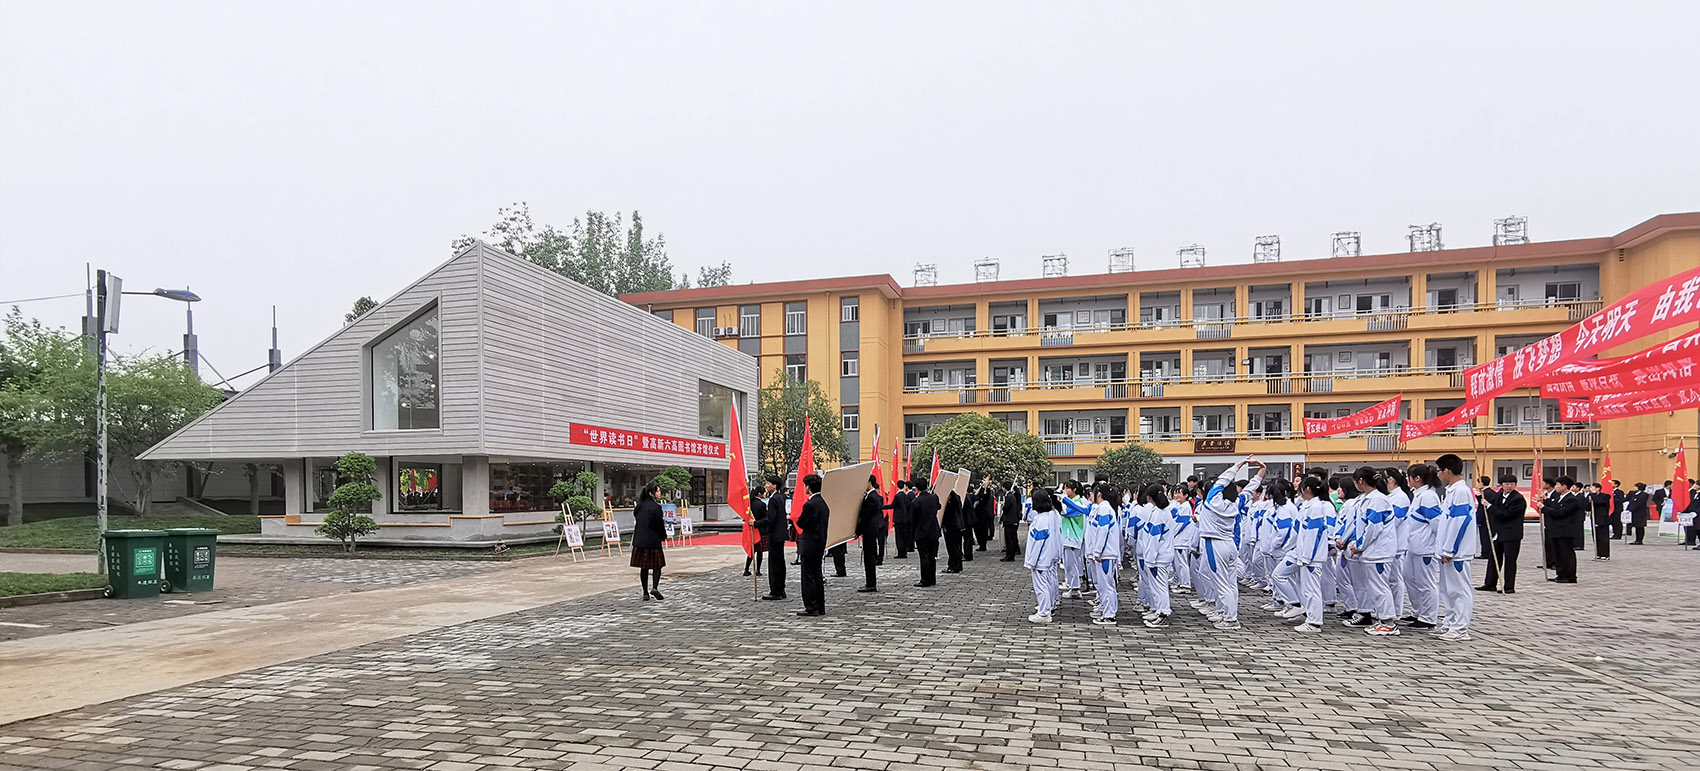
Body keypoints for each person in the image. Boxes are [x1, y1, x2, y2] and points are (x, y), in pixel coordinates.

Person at [1197, 457, 1265, 631]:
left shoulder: (1212, 501)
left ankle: (1230, 619)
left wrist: (1239, 464)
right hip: (1230, 545)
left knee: (1221, 584)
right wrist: (1260, 472)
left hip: (1215, 545)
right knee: (1230, 584)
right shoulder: (1235, 503)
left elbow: (1223, 480)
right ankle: (1228, 614)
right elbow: (1249, 491)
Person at [1435, 453, 1478, 642]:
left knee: (1459, 590)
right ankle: (1450, 622)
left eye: (1439, 470)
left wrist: (1449, 549)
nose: (1437, 474)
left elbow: (1459, 522)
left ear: (1447, 471)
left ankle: (1460, 627)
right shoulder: (1452, 490)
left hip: (1457, 552)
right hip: (1447, 550)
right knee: (1448, 589)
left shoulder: (1461, 492)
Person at [1281, 477, 1333, 633]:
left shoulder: (1316, 507)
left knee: (1312, 590)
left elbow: (1313, 534)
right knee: (1307, 590)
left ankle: (1314, 621)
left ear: (1307, 489)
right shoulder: (1309, 506)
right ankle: (1311, 618)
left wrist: (1307, 557)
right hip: (1307, 556)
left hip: (1311, 557)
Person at [1400, 463, 1442, 630]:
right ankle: (1417, 611)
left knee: (1426, 583)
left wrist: (1436, 545)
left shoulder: (1428, 497)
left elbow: (1437, 524)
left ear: (1416, 478)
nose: (1407, 480)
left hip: (1425, 548)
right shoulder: (1418, 495)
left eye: (1408, 477)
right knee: (1409, 577)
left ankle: (1428, 617)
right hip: (1413, 547)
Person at [1084, 481, 1124, 626]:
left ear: (1098, 494)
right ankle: (1104, 609)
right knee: (1102, 585)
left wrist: (1097, 551)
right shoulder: (1102, 508)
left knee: (1106, 585)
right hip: (1102, 553)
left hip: (1105, 554)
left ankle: (1109, 614)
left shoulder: (1104, 509)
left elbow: (1103, 531)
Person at [1138, 483, 1178, 628]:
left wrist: (1151, 558)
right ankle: (1158, 610)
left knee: (1160, 586)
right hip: (1160, 556)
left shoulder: (1159, 514)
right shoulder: (1160, 511)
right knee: (1157, 586)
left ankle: (1163, 613)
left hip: (1158, 557)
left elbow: (1154, 539)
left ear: (1149, 497)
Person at [1479, 474, 1525, 593]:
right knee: (1494, 558)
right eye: (1506, 484)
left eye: (1512, 484)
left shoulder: (1518, 499)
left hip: (1511, 534)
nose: (1509, 486)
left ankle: (1509, 586)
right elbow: (1489, 502)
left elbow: (1506, 515)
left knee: (1510, 561)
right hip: (1498, 533)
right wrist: (1481, 494)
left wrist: (1489, 506)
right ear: (1502, 485)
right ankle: (1490, 583)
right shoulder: (1500, 494)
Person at [1024, 486, 1063, 623]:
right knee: (1047, 583)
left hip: (1041, 558)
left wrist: (1032, 560)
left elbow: (1037, 543)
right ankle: (1047, 607)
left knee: (1041, 587)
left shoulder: (1041, 520)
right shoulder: (1050, 515)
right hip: (1049, 555)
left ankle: (1044, 613)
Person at [795, 473, 829, 617]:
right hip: (819, 542)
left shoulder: (810, 504)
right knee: (817, 575)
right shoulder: (823, 502)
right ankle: (820, 606)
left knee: (808, 577)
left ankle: (811, 606)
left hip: (809, 543)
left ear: (808, 487)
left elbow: (801, 522)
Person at [630, 483, 668, 601]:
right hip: (653, 540)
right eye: (658, 491)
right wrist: (663, 536)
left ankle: (645, 592)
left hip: (640, 540)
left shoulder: (639, 506)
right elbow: (659, 525)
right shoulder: (656, 507)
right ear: (651, 493)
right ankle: (655, 587)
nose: (659, 493)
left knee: (644, 567)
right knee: (657, 565)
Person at [1546, 476, 1583, 584]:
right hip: (1556, 530)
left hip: (1566, 530)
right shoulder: (1559, 497)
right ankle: (1561, 574)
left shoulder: (1571, 499)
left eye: (1558, 485)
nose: (1556, 487)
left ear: (1565, 486)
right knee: (1558, 553)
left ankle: (1570, 575)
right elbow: (1553, 506)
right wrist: (1544, 501)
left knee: (1566, 553)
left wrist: (1544, 508)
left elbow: (1560, 512)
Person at [758, 475, 788, 601]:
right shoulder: (780, 497)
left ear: (774, 486)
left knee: (774, 564)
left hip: (774, 535)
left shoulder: (773, 499)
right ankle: (781, 589)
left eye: (768, 483)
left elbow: (770, 519)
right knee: (780, 562)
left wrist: (756, 524)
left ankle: (775, 590)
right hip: (780, 535)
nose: (766, 486)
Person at [1058, 479, 1089, 598]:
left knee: (1072, 564)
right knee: (1069, 563)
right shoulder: (1072, 501)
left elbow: (1065, 512)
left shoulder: (1077, 502)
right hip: (1069, 536)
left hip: (1073, 536)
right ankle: (1072, 585)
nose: (1065, 491)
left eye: (1067, 488)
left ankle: (1075, 588)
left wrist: (1062, 499)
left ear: (1074, 489)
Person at [910, 479, 942, 587]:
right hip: (933, 530)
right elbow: (939, 506)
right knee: (932, 556)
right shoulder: (934, 497)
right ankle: (932, 579)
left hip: (922, 532)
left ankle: (925, 579)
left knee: (924, 556)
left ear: (917, 488)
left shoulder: (916, 502)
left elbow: (913, 519)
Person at [856, 475, 884, 593]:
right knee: (869, 557)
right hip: (870, 530)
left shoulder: (871, 497)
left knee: (869, 557)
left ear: (869, 483)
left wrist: (858, 530)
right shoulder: (871, 496)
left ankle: (871, 584)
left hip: (869, 530)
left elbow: (866, 516)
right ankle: (870, 582)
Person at [942, 486, 967, 573]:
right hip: (958, 525)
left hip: (952, 526)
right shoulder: (957, 497)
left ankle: (953, 566)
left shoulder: (950, 500)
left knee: (952, 547)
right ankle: (958, 565)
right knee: (957, 546)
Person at [1587, 482, 1613, 561]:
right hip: (1594, 518)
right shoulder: (1590, 496)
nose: (1590, 489)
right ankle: (1598, 553)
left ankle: (1605, 554)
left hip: (1602, 519)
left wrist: (1593, 495)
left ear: (1598, 488)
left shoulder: (1605, 496)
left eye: (1592, 487)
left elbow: (1600, 502)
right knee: (1596, 537)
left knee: (1603, 537)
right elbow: (1587, 507)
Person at [744, 489, 766, 577]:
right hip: (759, 528)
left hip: (751, 529)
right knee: (759, 551)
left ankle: (746, 569)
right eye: (763, 492)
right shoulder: (761, 505)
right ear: (759, 494)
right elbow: (765, 517)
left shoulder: (749, 504)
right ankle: (758, 570)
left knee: (752, 551)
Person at [889, 480, 914, 559]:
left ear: (897, 486)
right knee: (904, 536)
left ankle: (901, 552)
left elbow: (892, 505)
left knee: (899, 537)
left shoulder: (898, 496)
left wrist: (882, 507)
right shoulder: (905, 495)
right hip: (905, 519)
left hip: (898, 519)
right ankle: (904, 551)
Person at [1000, 481, 1023, 561]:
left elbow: (1006, 508)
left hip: (1009, 520)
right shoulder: (1012, 496)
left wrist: (1003, 506)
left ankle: (1009, 556)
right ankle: (1011, 555)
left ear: (1004, 488)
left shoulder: (1009, 497)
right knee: (1012, 538)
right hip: (1013, 520)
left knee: (1009, 539)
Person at [974, 483, 997, 552]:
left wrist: (984, 488)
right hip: (984, 517)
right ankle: (983, 545)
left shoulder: (979, 500)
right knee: (983, 531)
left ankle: (982, 545)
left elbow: (982, 495)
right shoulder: (985, 499)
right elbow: (986, 495)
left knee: (980, 532)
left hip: (980, 518)